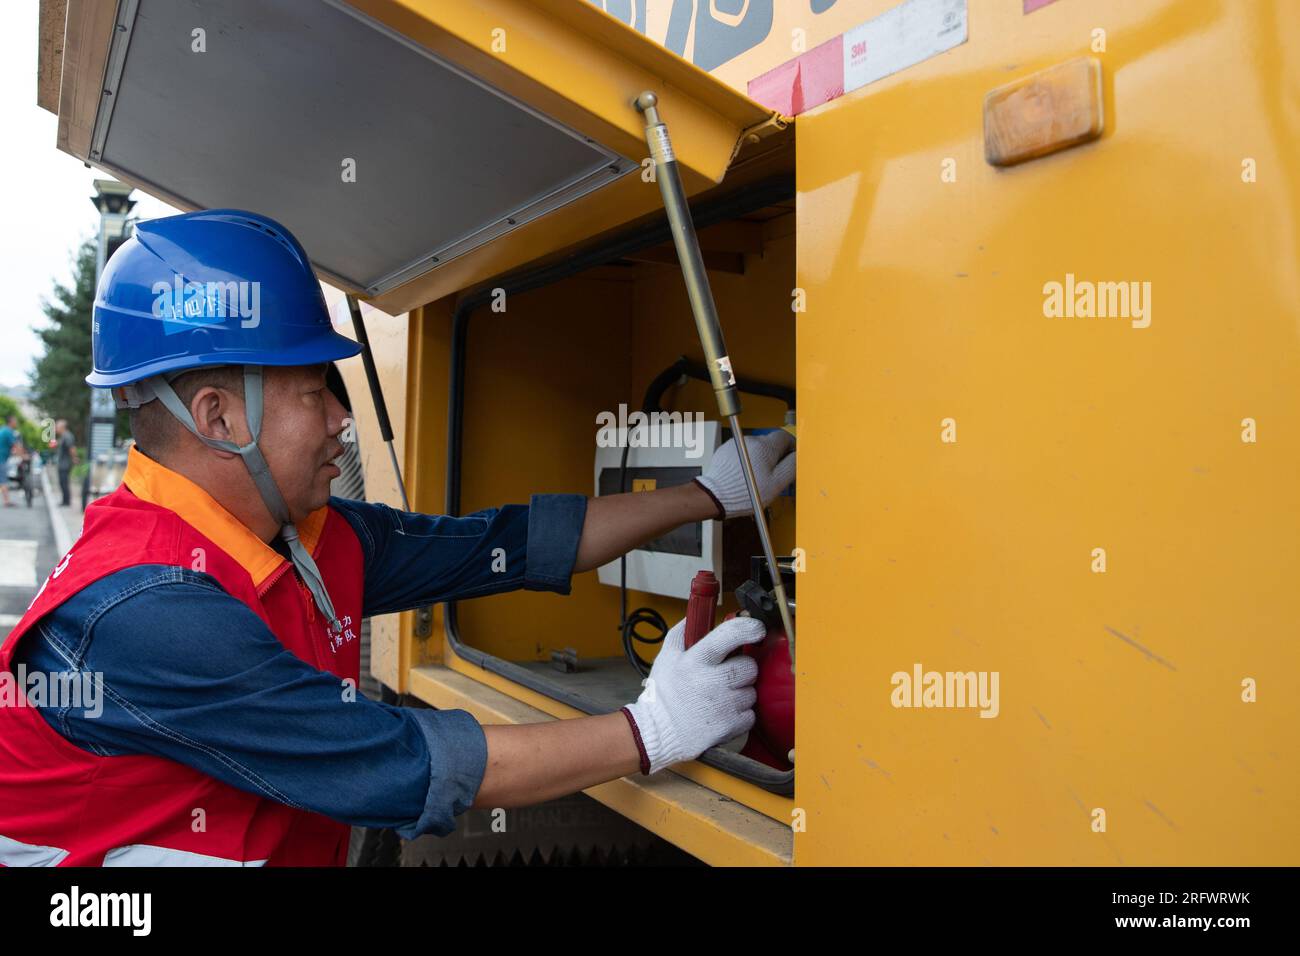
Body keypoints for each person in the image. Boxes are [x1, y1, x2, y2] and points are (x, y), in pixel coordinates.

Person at [0, 209, 796, 866]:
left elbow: (504, 545)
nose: (343, 423)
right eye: (316, 392)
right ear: (218, 417)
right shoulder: (145, 610)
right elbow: (407, 762)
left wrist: (706, 496)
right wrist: (651, 730)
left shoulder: (292, 537)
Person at [54, 419, 77, 507]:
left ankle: (66, 501)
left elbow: (72, 448)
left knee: (64, 482)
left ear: (62, 427)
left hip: (65, 463)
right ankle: (65, 500)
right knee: (62, 482)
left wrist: (74, 458)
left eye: (57, 427)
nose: (56, 429)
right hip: (62, 463)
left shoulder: (67, 436)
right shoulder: (63, 436)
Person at [0, 415, 15, 507]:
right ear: (11, 422)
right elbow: (15, 445)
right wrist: (23, 456)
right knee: (3, 480)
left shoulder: (3, 429)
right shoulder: (8, 431)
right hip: (1, 459)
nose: (16, 423)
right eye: (14, 421)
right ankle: (7, 501)